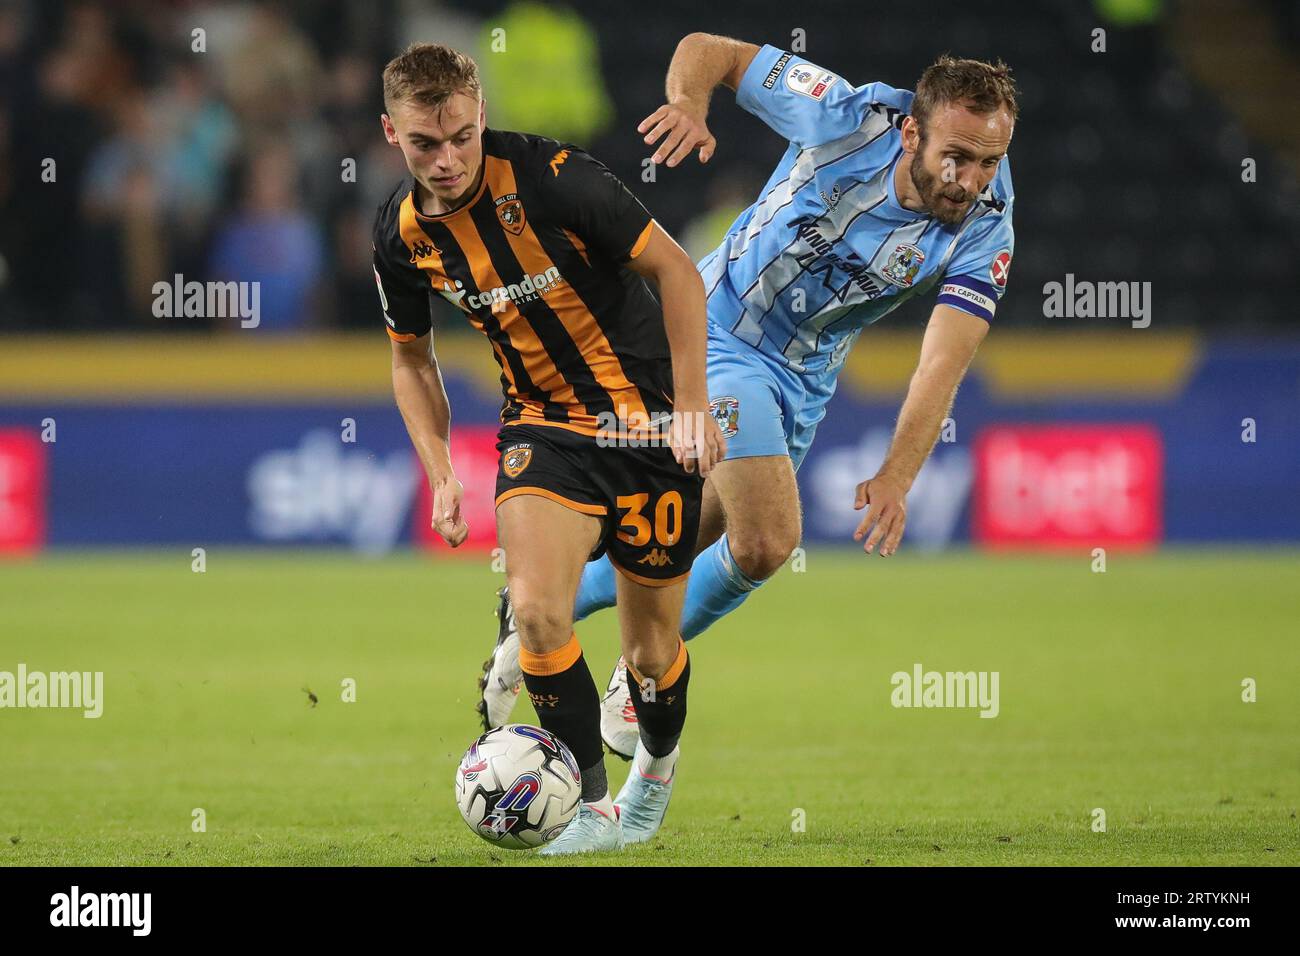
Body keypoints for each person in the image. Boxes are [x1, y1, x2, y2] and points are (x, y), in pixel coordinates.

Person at [481, 34, 1018, 765]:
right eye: (956, 155)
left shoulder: (988, 224)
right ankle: (639, 671)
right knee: (767, 539)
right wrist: (687, 103)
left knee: (689, 534)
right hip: (717, 333)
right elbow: (713, 51)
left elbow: (940, 362)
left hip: (804, 378)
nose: (970, 179)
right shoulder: (845, 116)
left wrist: (898, 474)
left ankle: (547, 606)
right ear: (912, 133)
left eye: (989, 161)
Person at [374, 43, 725, 854]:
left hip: (646, 426)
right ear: (392, 135)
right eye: (425, 143)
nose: (448, 157)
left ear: (480, 114)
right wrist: (440, 478)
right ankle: (591, 812)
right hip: (542, 429)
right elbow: (409, 358)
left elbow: (677, 272)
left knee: (650, 651)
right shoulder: (399, 235)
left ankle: (656, 773)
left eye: (460, 135)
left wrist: (693, 410)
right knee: (535, 612)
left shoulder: (556, 178)